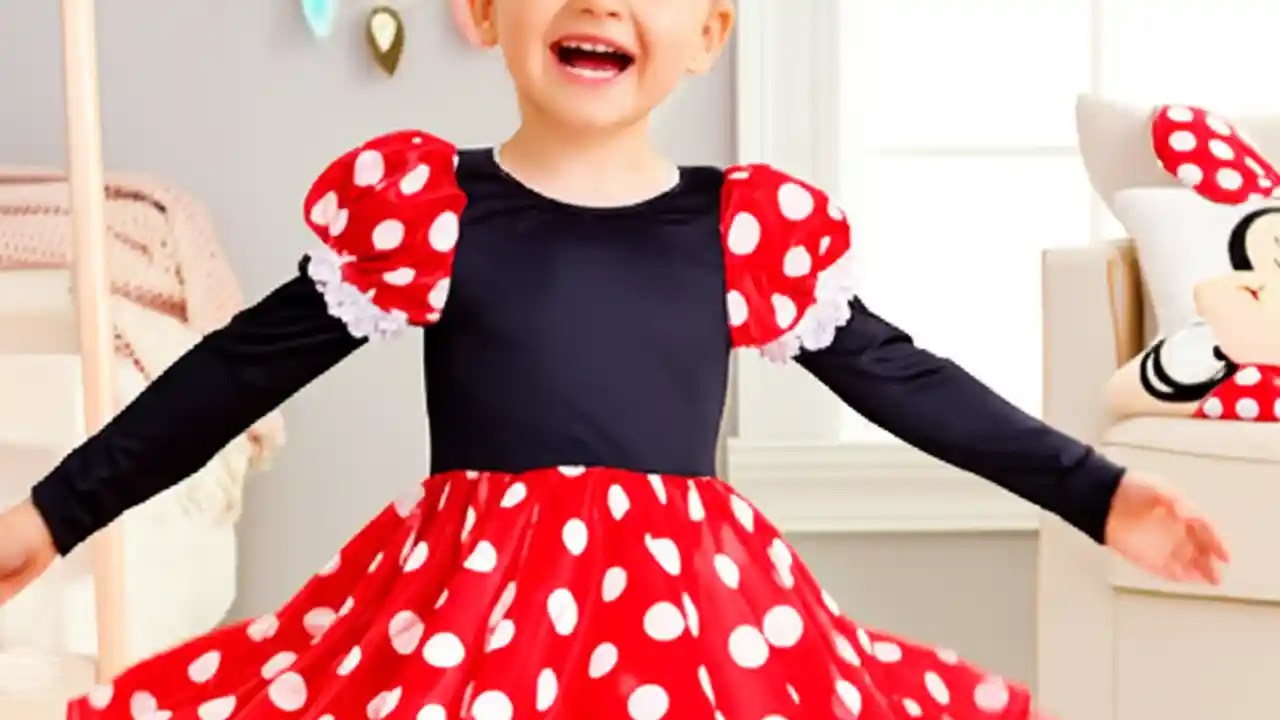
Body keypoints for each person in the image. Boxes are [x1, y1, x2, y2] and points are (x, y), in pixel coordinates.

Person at [0, 1, 1229, 718]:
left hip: (695, 623)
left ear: (707, 30)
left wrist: (1098, 492)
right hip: (465, 622)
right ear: (483, 12)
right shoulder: (430, 211)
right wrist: (56, 513)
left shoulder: (742, 231)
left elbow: (905, 381)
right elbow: (234, 371)